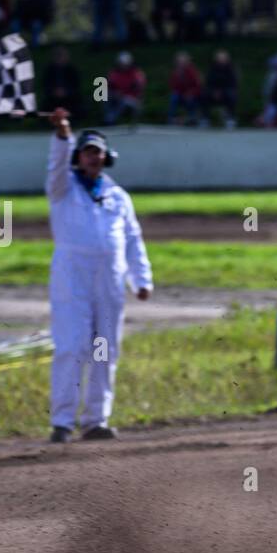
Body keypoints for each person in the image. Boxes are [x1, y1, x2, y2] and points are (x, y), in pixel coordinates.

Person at [44, 111, 153, 443]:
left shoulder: (118, 196)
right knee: (72, 345)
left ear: (107, 158)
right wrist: (63, 136)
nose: (94, 157)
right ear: (78, 157)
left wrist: (142, 278)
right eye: (88, 151)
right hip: (72, 275)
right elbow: (55, 167)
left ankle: (96, 419)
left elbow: (133, 238)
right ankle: (62, 421)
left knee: (105, 350)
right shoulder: (62, 188)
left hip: (110, 279)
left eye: (99, 152)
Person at [105, 50, 146, 124]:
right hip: (117, 97)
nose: (123, 66)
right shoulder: (114, 73)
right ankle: (109, 117)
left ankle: (112, 119)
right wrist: (115, 93)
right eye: (121, 64)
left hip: (133, 99)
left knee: (124, 101)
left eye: (125, 64)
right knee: (106, 97)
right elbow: (110, 86)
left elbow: (138, 89)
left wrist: (124, 94)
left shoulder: (136, 73)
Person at [205, 49, 239, 128]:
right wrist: (214, 91)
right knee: (204, 95)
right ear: (216, 59)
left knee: (231, 95)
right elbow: (208, 81)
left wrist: (221, 91)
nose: (221, 59)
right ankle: (205, 119)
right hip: (213, 91)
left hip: (226, 90)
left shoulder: (231, 68)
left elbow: (233, 83)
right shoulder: (212, 68)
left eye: (223, 58)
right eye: (219, 58)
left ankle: (230, 119)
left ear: (227, 59)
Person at [168, 52, 203, 125]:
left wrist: (190, 93)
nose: (181, 63)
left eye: (183, 61)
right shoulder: (176, 72)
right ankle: (171, 118)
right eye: (179, 61)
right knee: (174, 97)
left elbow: (198, 86)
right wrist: (177, 76)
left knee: (190, 99)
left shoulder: (192, 71)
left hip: (192, 94)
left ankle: (192, 117)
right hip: (181, 94)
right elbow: (173, 86)